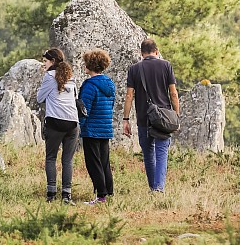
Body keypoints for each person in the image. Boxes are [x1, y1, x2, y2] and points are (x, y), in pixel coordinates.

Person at [122, 38, 181, 193]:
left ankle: (152, 187)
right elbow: (173, 93)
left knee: (148, 154)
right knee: (162, 153)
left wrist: (126, 119)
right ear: (157, 51)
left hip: (143, 117)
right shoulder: (166, 65)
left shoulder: (134, 69)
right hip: (163, 117)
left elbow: (129, 96)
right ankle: (159, 188)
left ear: (141, 53)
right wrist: (176, 115)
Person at [36, 48, 79, 204]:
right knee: (67, 160)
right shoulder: (70, 76)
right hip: (73, 122)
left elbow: (40, 98)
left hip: (55, 121)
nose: (44, 64)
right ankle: (67, 195)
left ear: (52, 61)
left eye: (45, 61)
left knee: (51, 158)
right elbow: (75, 98)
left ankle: (51, 194)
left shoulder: (49, 76)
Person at [78, 49, 116, 204]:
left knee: (93, 163)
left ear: (90, 65)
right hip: (105, 128)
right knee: (104, 162)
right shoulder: (110, 84)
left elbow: (84, 109)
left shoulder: (89, 85)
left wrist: (80, 127)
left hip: (92, 129)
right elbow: (111, 105)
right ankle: (109, 192)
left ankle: (101, 196)